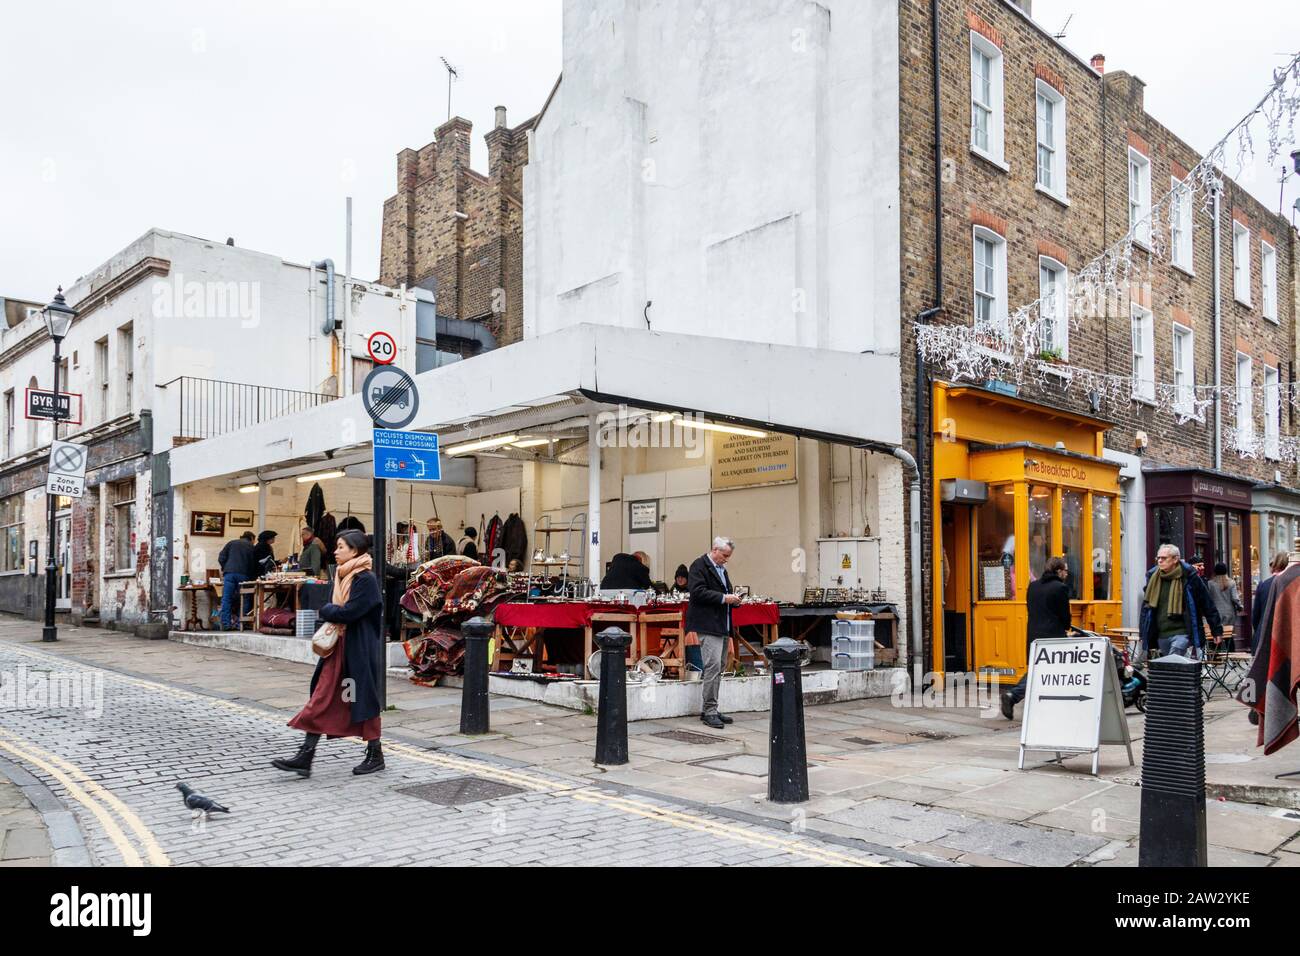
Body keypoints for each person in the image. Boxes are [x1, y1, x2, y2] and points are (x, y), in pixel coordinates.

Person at [272, 529, 385, 778]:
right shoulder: (344, 575)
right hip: (340, 648)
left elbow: (352, 611)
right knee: (323, 697)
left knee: (361, 699)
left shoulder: (365, 578)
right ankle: (306, 755)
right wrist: (332, 610)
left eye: (341, 547)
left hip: (357, 649)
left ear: (355, 550)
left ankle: (375, 754)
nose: (335, 551)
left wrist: (327, 610)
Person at [1001, 555, 1072, 719]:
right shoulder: (1060, 588)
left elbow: (1032, 611)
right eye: (1065, 571)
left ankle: (1020, 698)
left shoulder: (1032, 587)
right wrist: (1066, 628)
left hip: (1034, 637)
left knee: (1037, 669)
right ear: (1059, 571)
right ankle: (1013, 695)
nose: (1067, 574)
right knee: (1046, 672)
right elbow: (1065, 617)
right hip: (1053, 638)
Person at [686, 537, 741, 730]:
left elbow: (723, 592)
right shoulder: (699, 566)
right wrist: (725, 598)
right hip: (707, 625)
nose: (726, 559)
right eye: (724, 555)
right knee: (712, 666)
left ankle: (711, 708)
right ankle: (709, 710)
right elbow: (697, 592)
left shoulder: (721, 569)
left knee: (719, 666)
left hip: (722, 625)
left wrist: (734, 600)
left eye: (728, 556)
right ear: (715, 550)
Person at [1139, 543, 1223, 661]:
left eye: (1164, 558)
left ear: (1175, 559)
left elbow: (1207, 603)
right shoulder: (1153, 578)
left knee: (1172, 662)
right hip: (1162, 633)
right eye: (1158, 558)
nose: (1160, 561)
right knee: (1172, 667)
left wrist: (1216, 630)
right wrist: (1143, 632)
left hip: (1182, 632)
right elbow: (1146, 608)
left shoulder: (1189, 576)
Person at [217, 531, 257, 630]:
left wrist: (225, 568)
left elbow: (221, 557)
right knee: (245, 598)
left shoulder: (231, 543)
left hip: (229, 574)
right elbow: (253, 564)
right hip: (244, 575)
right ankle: (241, 624)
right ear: (251, 538)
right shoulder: (251, 546)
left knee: (226, 598)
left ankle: (226, 624)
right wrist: (252, 576)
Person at [1251, 550, 1289, 647]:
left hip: (1263, 637)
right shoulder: (1291, 585)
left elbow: (1255, 616)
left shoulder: (1263, 585)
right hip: (1283, 640)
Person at [1206, 562, 1243, 641]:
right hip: (1229, 614)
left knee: (1216, 635)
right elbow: (1235, 598)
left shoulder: (1210, 583)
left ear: (1215, 571)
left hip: (1215, 613)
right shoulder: (1231, 583)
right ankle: (1229, 651)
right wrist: (1240, 606)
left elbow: (1207, 599)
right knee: (1229, 635)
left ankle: (1217, 651)